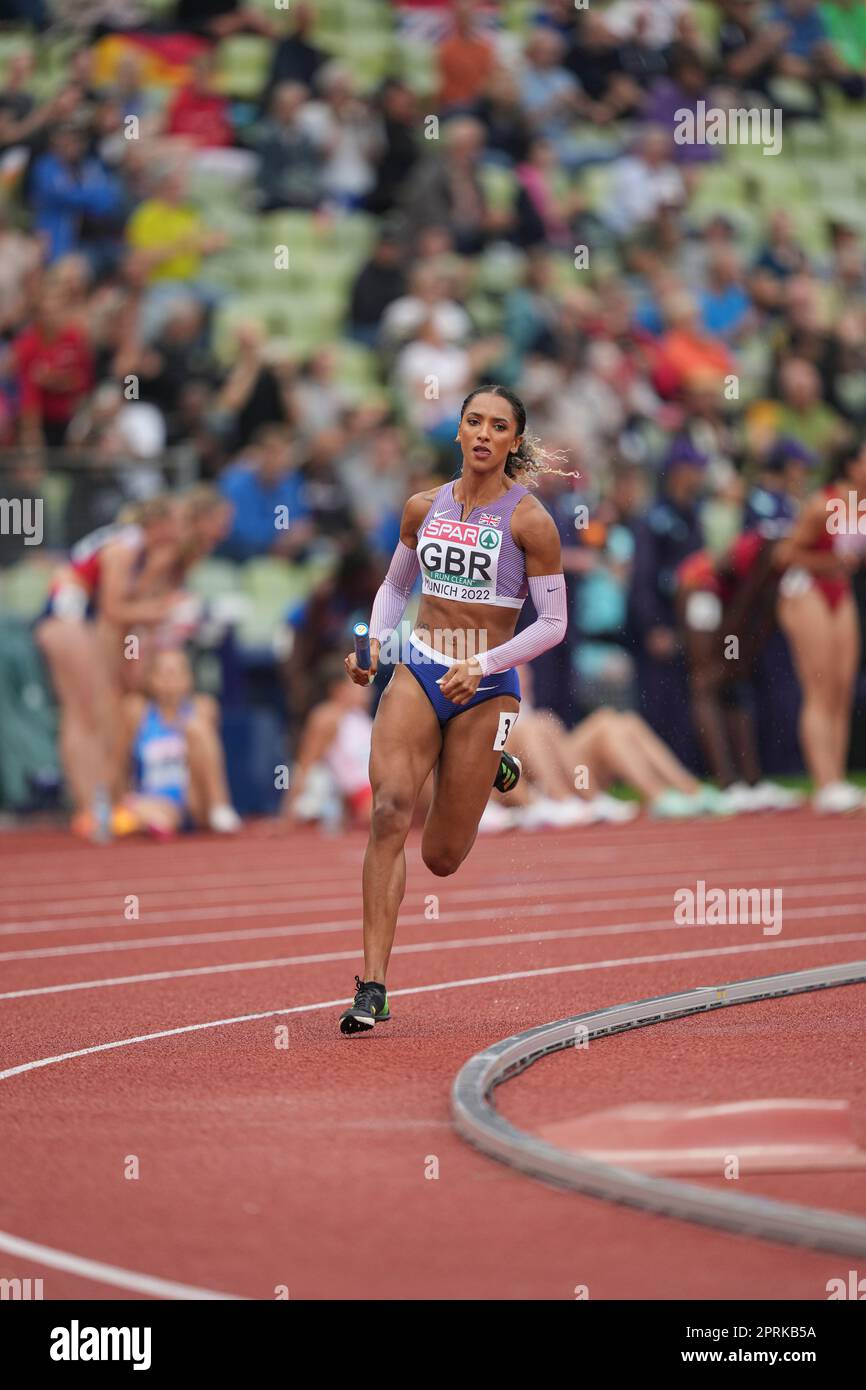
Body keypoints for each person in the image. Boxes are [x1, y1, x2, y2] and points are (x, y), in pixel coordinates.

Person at [337, 385, 570, 1034]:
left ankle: (495, 761)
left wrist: (486, 665)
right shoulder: (422, 506)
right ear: (460, 431)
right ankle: (373, 985)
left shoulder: (531, 523)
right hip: (421, 665)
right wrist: (372, 648)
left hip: (486, 684)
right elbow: (392, 588)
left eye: (499, 426)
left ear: (513, 442)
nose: (484, 434)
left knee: (442, 855)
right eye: (474, 421)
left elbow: (554, 623)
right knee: (388, 811)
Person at [34, 496, 187, 839]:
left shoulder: (142, 551)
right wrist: (162, 611)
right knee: (82, 711)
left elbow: (125, 609)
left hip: (79, 616)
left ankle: (100, 803)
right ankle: (88, 805)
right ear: (159, 524)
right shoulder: (125, 547)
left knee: (98, 711)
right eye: (178, 521)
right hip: (66, 616)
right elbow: (114, 609)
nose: (183, 530)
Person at [775, 439, 866, 812]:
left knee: (843, 687)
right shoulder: (823, 504)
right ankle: (824, 779)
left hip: (839, 590)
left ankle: (837, 779)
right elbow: (784, 554)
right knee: (819, 685)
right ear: (851, 466)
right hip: (807, 587)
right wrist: (829, 564)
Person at [115, 646, 241, 837]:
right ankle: (154, 820)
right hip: (155, 799)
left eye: (177, 673)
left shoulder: (202, 707)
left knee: (197, 730)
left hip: (193, 800)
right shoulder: (136, 712)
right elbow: (121, 761)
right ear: (150, 679)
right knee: (136, 809)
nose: (170, 681)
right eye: (163, 674)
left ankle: (220, 808)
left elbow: (208, 754)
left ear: (189, 679)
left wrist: (177, 719)